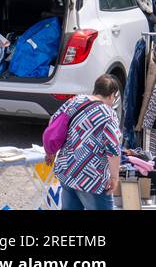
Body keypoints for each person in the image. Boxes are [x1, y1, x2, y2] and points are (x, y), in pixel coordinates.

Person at [51, 75, 122, 210]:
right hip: (91, 178)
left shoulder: (75, 101)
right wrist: (114, 177)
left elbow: (54, 123)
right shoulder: (108, 115)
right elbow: (113, 149)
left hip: (67, 169)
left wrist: (51, 151)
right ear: (111, 95)